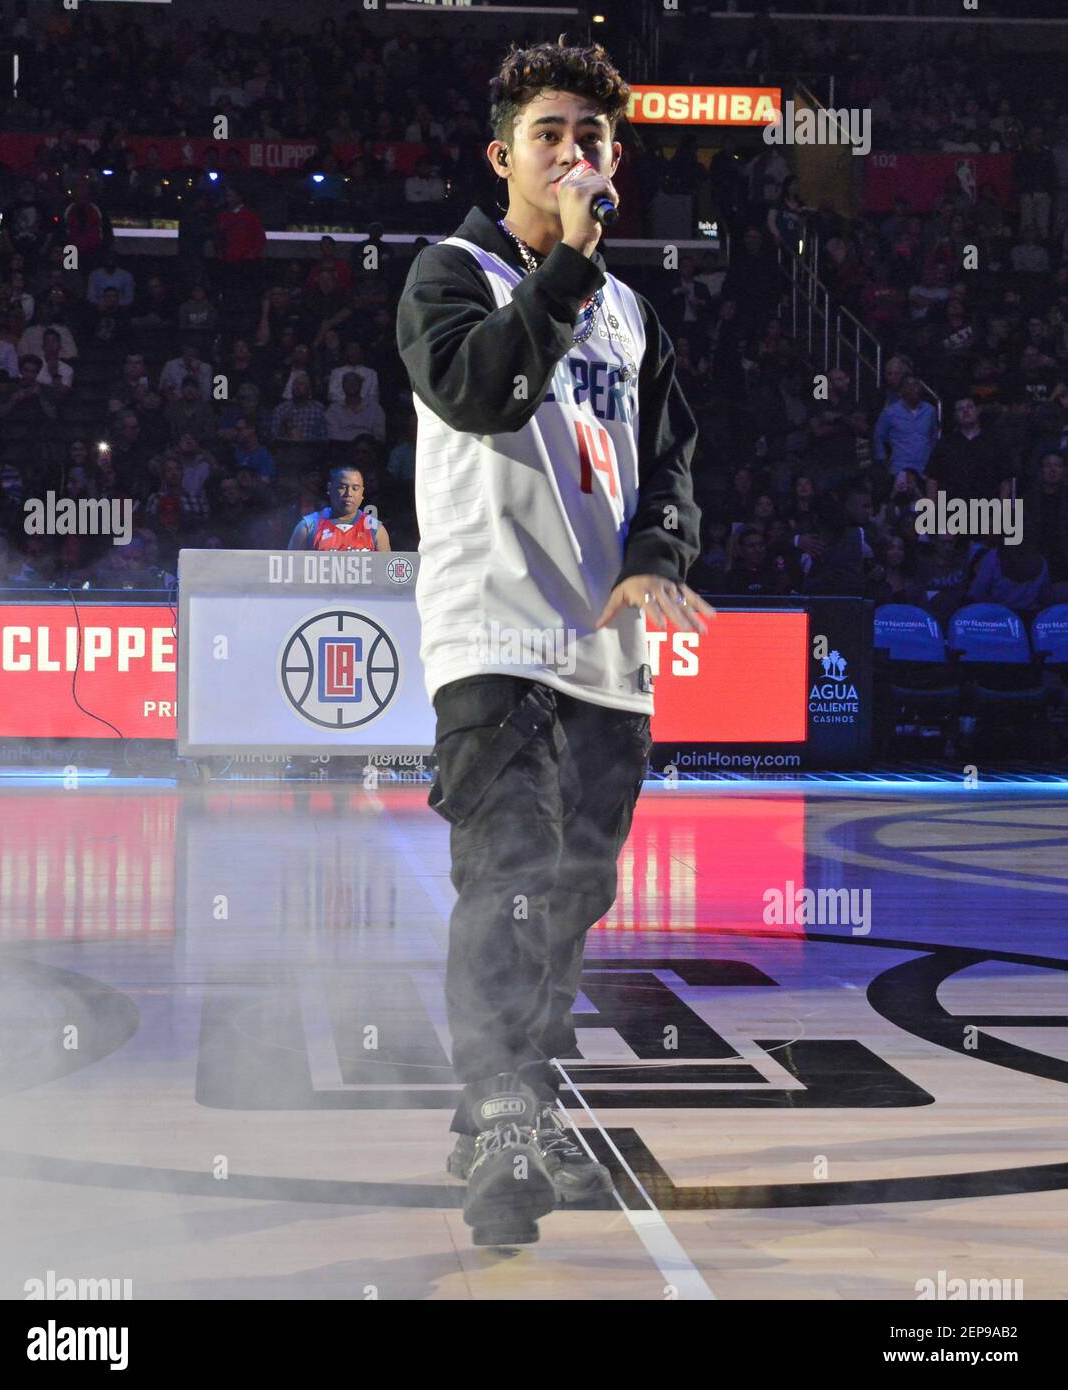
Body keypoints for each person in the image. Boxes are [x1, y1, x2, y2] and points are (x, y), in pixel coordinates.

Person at [396, 36, 708, 1247]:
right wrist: (566, 268)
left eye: (590, 137)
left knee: (570, 899)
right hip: (491, 635)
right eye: (547, 136)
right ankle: (507, 1112)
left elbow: (669, 463)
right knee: (509, 876)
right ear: (502, 158)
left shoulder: (632, 315)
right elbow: (481, 392)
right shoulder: (450, 273)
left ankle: (499, 1102)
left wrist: (657, 553)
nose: (571, 154)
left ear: (614, 157)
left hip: (604, 653)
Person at [286, 465, 391, 551]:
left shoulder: (376, 529)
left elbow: (385, 568)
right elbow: (291, 567)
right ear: (330, 488)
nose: (349, 493)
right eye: (342, 487)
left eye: (355, 488)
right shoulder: (307, 527)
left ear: (362, 492)